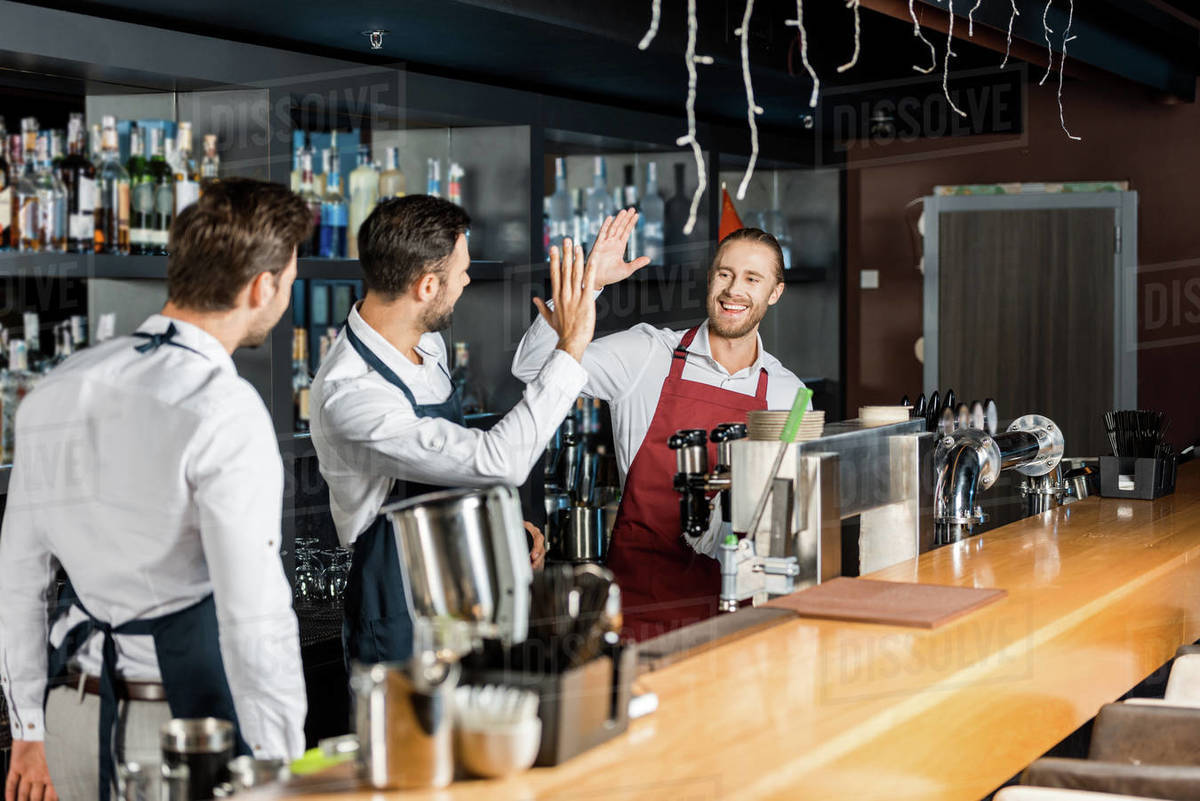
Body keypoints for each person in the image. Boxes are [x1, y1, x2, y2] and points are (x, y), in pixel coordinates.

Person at [0, 179, 310, 801]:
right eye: (291, 281)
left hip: (70, 721)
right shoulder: (223, 407)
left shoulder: (62, 383)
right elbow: (254, 615)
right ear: (263, 287)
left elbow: (19, 578)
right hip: (179, 732)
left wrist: (28, 725)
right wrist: (280, 762)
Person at [310, 194, 596, 668]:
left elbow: (453, 459)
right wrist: (574, 345)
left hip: (458, 575)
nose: (467, 280)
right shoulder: (354, 394)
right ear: (426, 286)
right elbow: (497, 459)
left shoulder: (425, 342)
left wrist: (493, 522)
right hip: (399, 601)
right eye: (462, 271)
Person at [512, 211, 806, 641]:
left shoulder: (789, 395)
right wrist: (590, 284)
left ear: (775, 293)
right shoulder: (648, 354)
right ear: (710, 279)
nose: (734, 290)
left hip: (738, 617)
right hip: (639, 610)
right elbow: (532, 366)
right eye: (725, 274)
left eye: (752, 279)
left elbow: (789, 521)